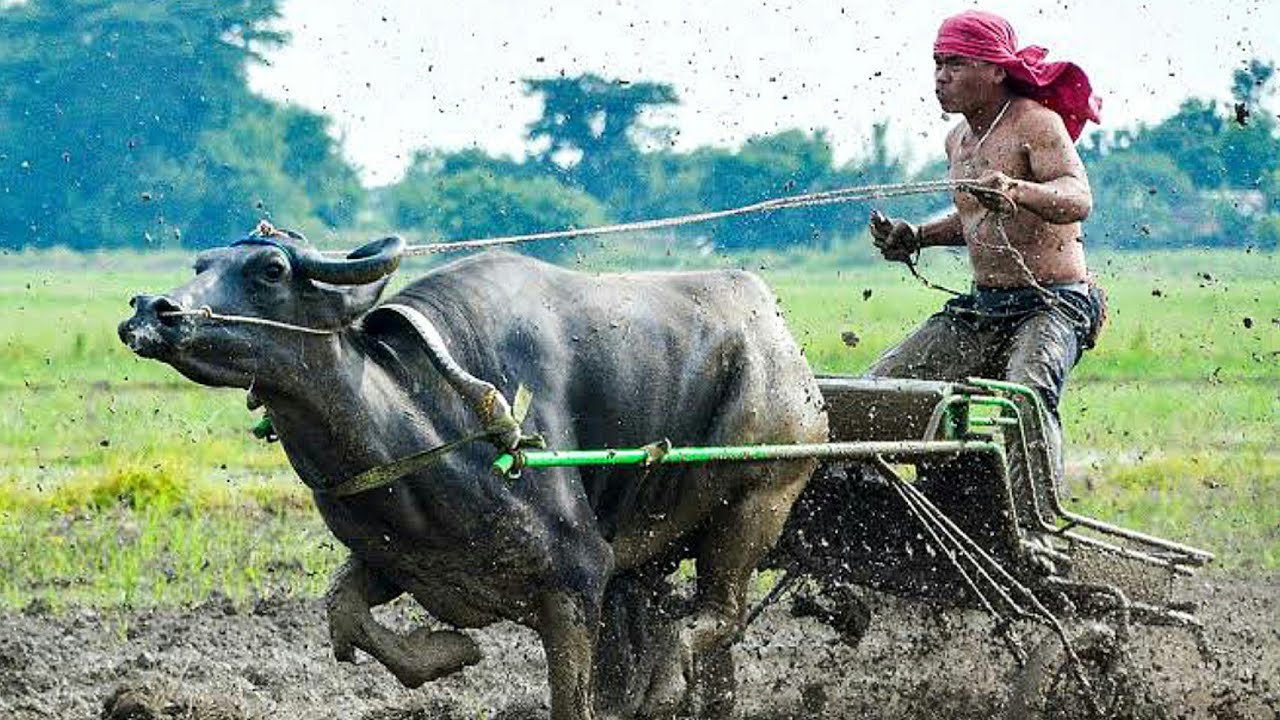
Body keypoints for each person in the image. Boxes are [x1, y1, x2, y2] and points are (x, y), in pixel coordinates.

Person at [866, 9, 1106, 497]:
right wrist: (917, 236)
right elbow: (975, 220)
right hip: (984, 307)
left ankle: (1035, 534)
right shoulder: (958, 139)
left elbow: (1078, 198)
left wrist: (1018, 190)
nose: (940, 76)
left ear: (997, 69)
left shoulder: (1035, 123)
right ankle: (892, 503)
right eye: (937, 63)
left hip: (1052, 303)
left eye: (956, 63)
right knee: (880, 390)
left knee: (1027, 397)